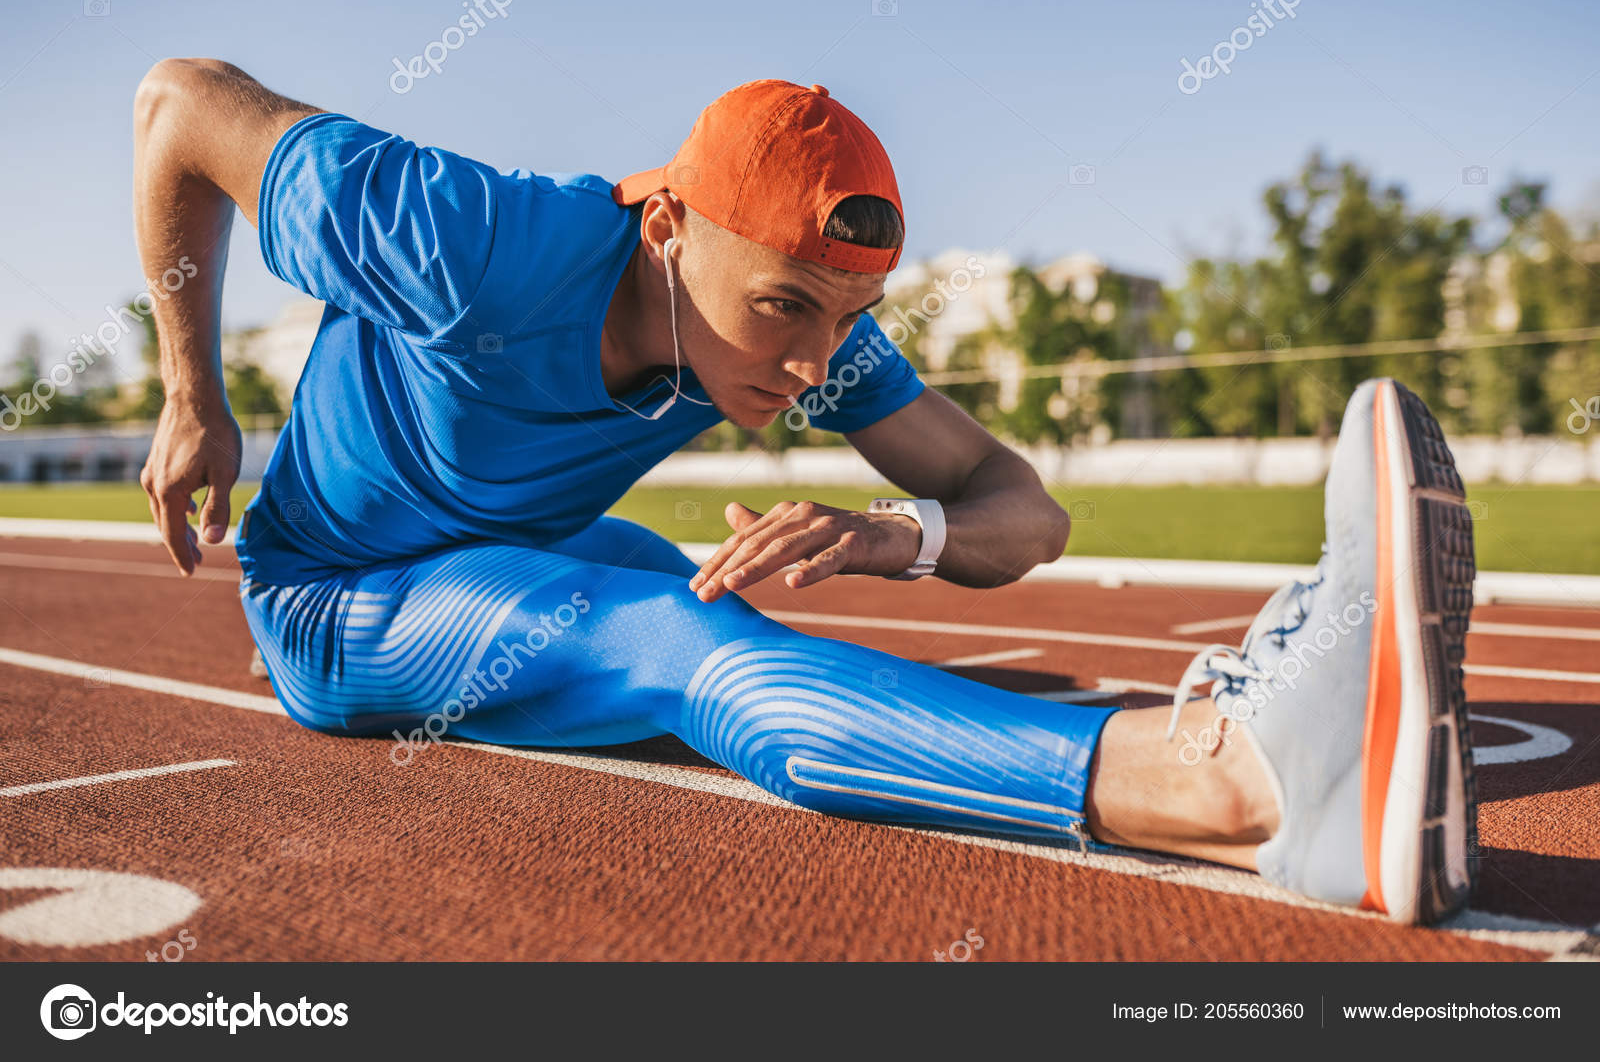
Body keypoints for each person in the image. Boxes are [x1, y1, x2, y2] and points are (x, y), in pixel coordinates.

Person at [132, 64, 1478, 925]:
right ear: (667, 231)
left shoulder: (815, 336)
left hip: (512, 547)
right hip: (337, 595)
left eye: (850, 317)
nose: (817, 364)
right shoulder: (463, 236)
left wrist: (899, 535)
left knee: (678, 590)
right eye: (783, 307)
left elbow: (1025, 511)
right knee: (675, 634)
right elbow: (181, 106)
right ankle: (1239, 792)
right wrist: (193, 394)